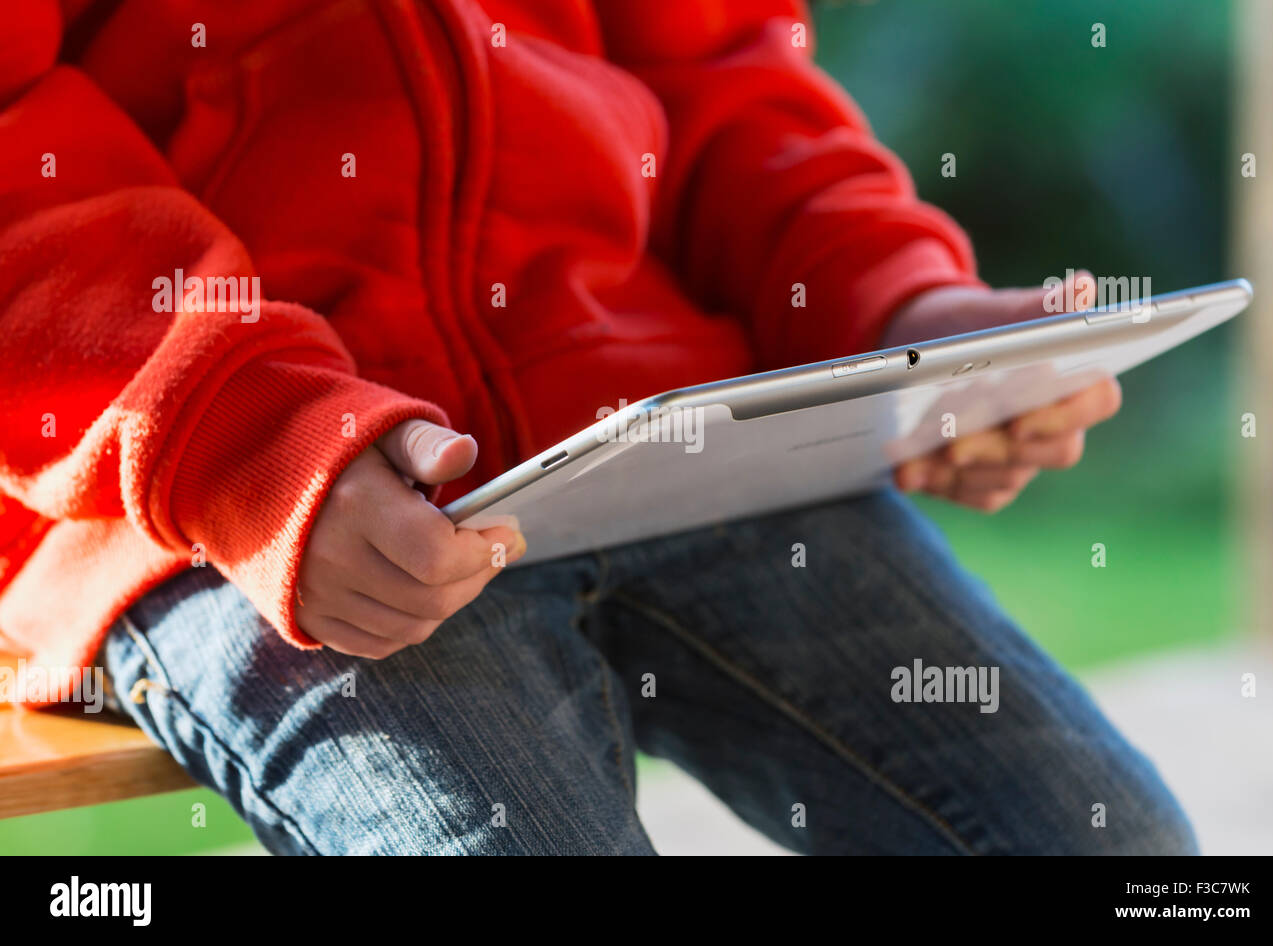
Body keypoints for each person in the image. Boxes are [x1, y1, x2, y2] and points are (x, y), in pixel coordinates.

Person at [0, 0, 1195, 854]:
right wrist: (245, 431)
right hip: (240, 507)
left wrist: (896, 305)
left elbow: (727, 78)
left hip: (675, 441)